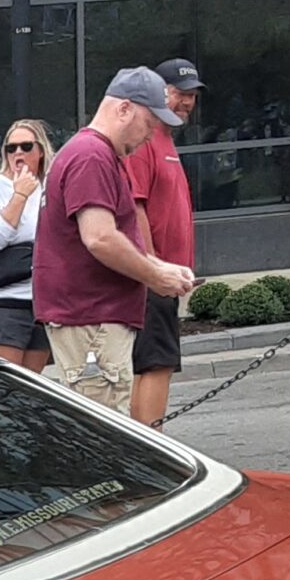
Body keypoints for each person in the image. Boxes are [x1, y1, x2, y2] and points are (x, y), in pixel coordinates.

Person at [34, 69, 200, 414]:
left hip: (92, 318)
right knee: (101, 430)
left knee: (102, 423)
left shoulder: (93, 153)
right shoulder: (91, 156)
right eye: (149, 123)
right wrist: (155, 276)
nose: (150, 135)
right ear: (124, 109)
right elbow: (99, 237)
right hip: (92, 319)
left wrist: (160, 267)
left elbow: (108, 237)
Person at [123, 58, 202, 427]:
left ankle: (146, 438)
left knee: (155, 360)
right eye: (180, 93)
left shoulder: (166, 139)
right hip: (153, 277)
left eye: (192, 95)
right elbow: (135, 204)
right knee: (157, 361)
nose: (187, 102)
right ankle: (150, 441)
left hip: (165, 277)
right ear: (160, 92)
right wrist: (153, 266)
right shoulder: (146, 139)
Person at [0, 118, 52, 369]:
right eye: (11, 148)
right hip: (0, 302)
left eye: (26, 146)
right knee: (6, 385)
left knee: (32, 384)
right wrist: (19, 195)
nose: (18, 153)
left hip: (39, 301)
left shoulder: (49, 186)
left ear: (40, 150)